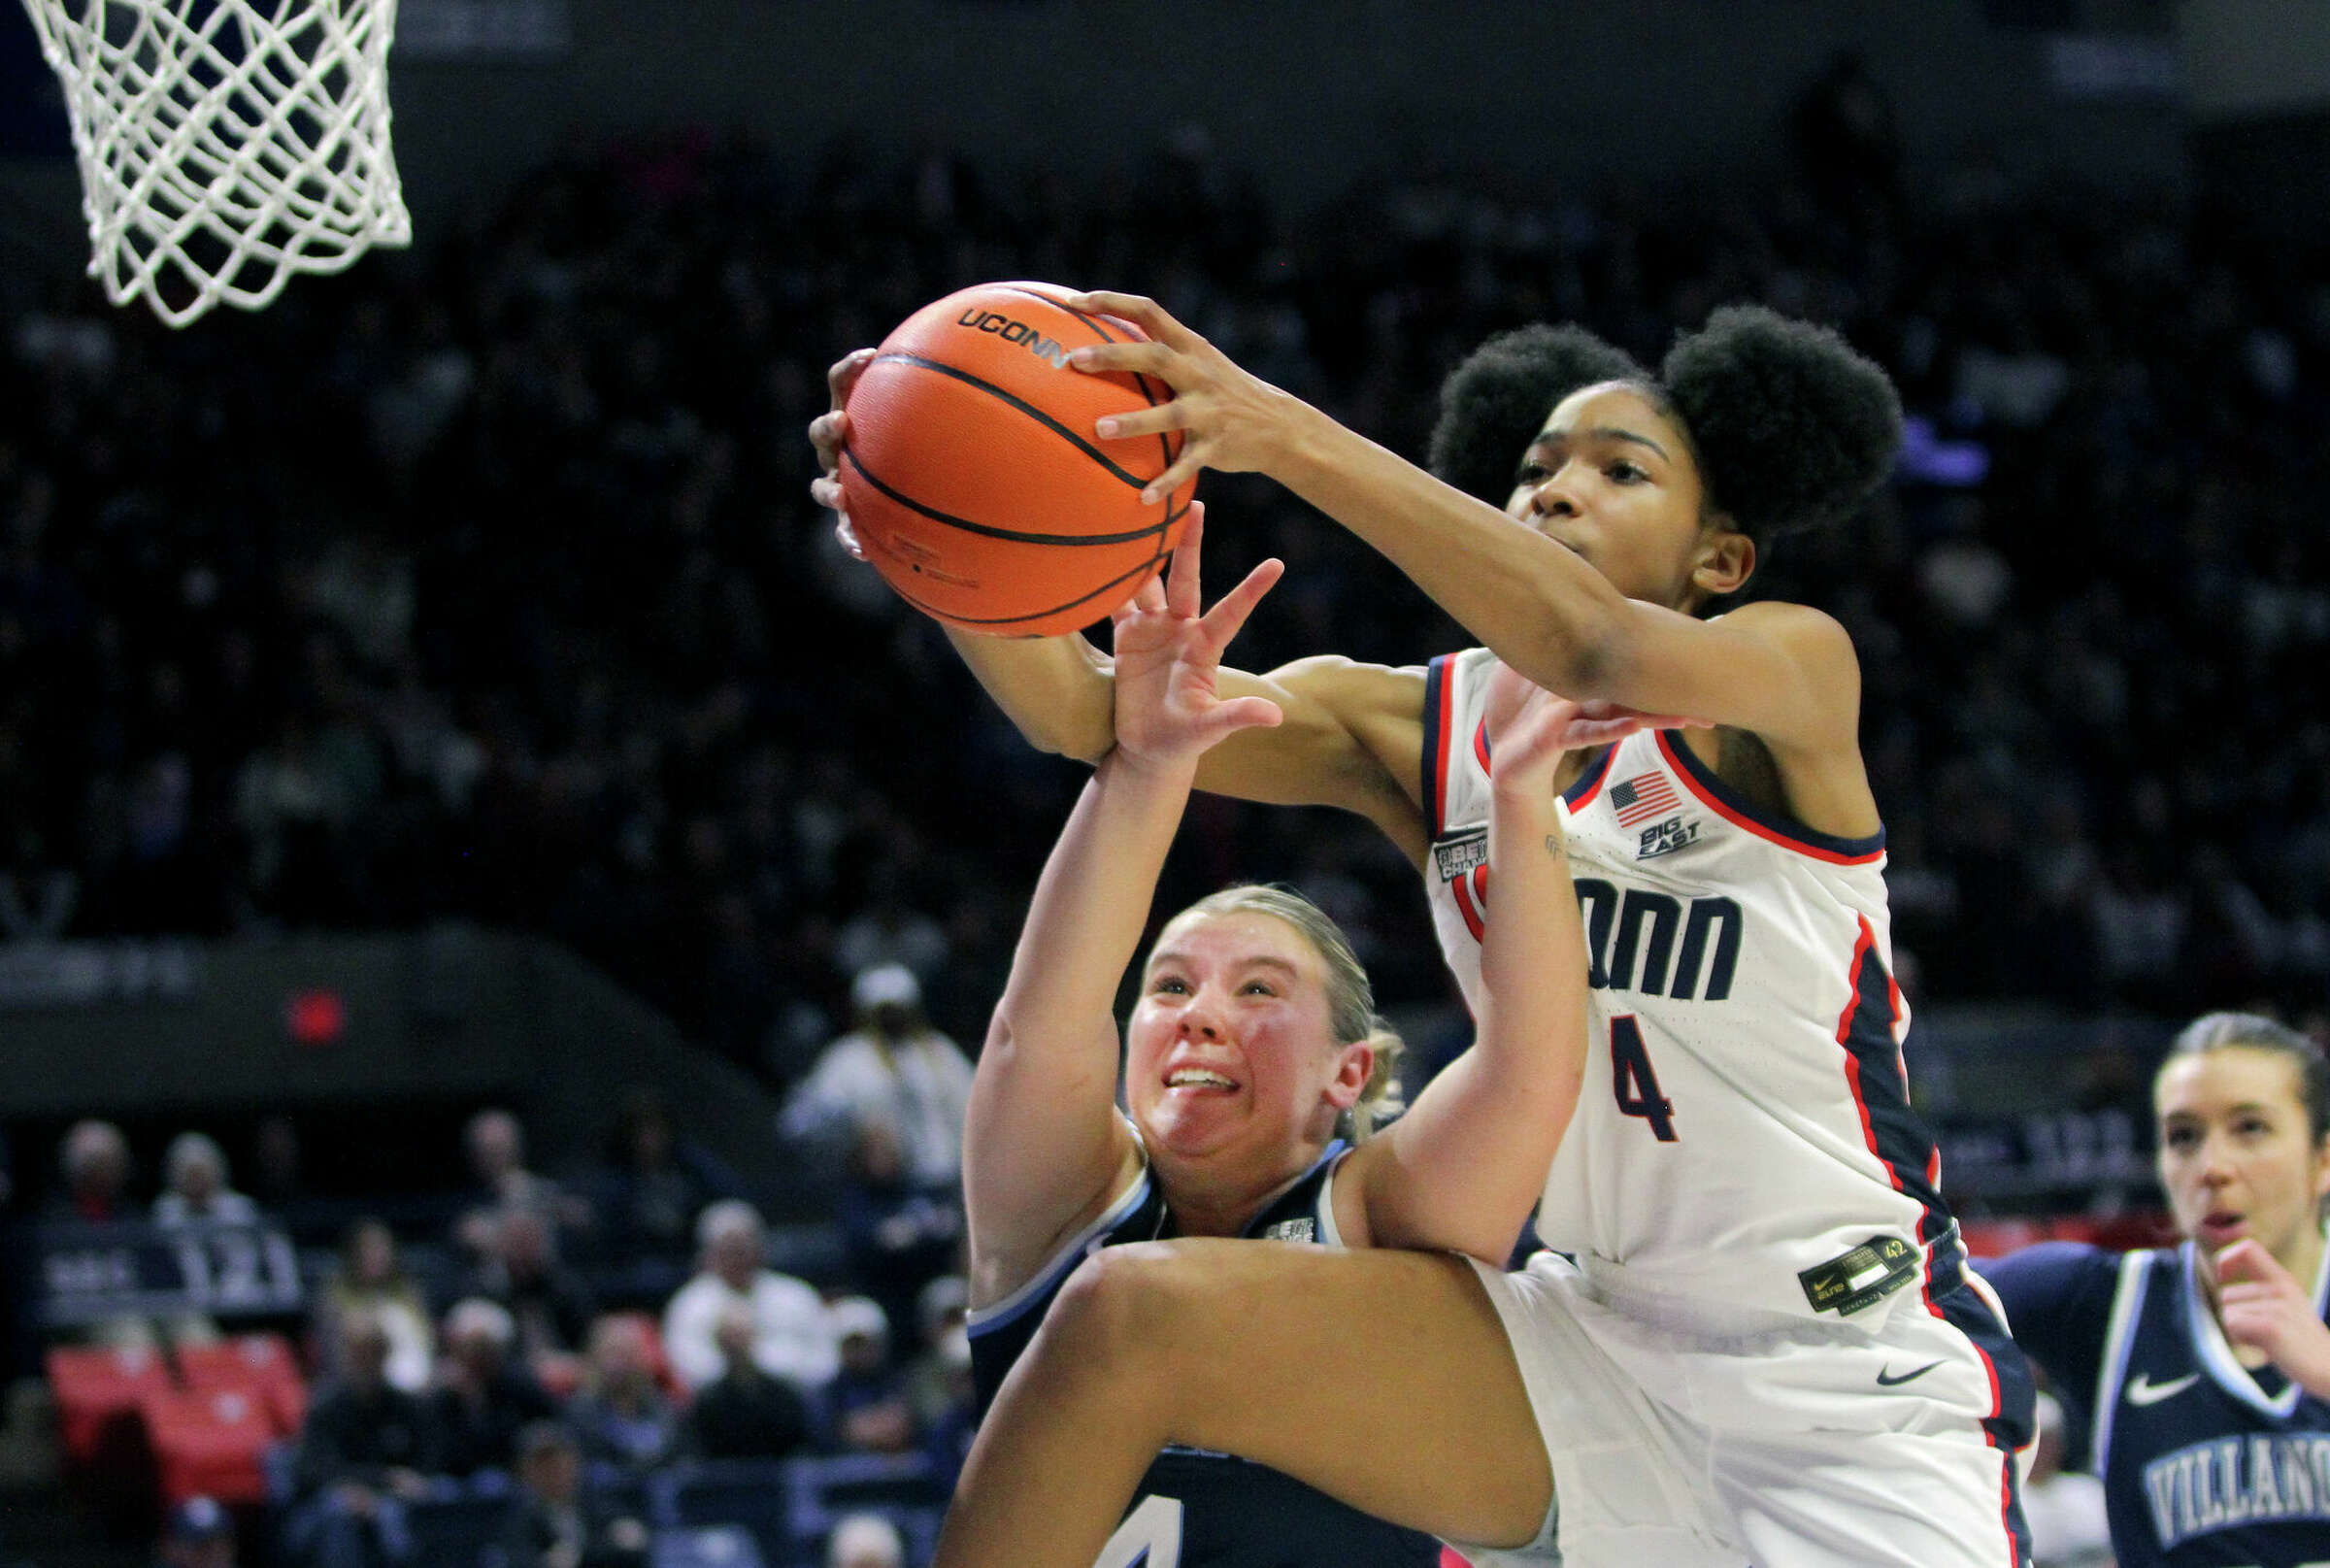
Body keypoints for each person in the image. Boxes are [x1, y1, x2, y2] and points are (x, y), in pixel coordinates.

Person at [811, 300, 2034, 1566]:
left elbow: (1597, 640)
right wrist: (914, 506)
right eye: (1535, 467)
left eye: (1620, 470)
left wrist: (1278, 431)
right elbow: (1093, 714)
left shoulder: (1790, 672)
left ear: (1719, 559)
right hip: (1596, 1330)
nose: (1558, 488)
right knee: (1130, 1311)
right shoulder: (1419, 724)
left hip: (1848, 1359)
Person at [936, 514, 1600, 1566]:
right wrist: (1149, 766)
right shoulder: (1061, 1207)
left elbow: (1531, 1071)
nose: (1200, 1012)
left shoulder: (1379, 1214)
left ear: (1350, 1072)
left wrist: (1521, 802)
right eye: (1168, 985)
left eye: (1257, 987)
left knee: (1130, 1308)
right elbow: (1038, 1030)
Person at [1981, 1012, 2330, 1565]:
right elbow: (1908, 1290)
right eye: (2184, 1136)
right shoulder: (2101, 1301)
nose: (2212, 1167)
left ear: (2323, 1158)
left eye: (2251, 1128)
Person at [781, 962, 976, 1192]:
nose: (892, 1018)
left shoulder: (939, 1050)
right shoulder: (848, 1057)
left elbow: (976, 1104)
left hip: (950, 1177)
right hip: (882, 1187)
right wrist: (857, 1133)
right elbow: (806, 1121)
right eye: (884, 1011)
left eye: (899, 1009)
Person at [661, 1200, 839, 1397]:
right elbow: (691, 1370)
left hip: (795, 1402)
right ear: (709, 1253)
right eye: (729, 1250)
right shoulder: (690, 1304)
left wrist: (757, 1359)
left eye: (743, 1248)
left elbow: (825, 1363)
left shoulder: (796, 1295)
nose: (738, 1258)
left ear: (760, 1248)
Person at [501, 1419, 651, 1568]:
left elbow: (632, 1542)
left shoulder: (600, 1504)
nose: (553, 1471)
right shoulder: (517, 1519)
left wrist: (578, 1555)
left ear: (576, 1463)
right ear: (525, 1472)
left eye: (559, 1462)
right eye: (542, 1465)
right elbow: (520, 1559)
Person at [152, 1133, 260, 1226]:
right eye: (189, 1175)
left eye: (200, 1174)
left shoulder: (239, 1208)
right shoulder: (166, 1211)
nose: (196, 1182)